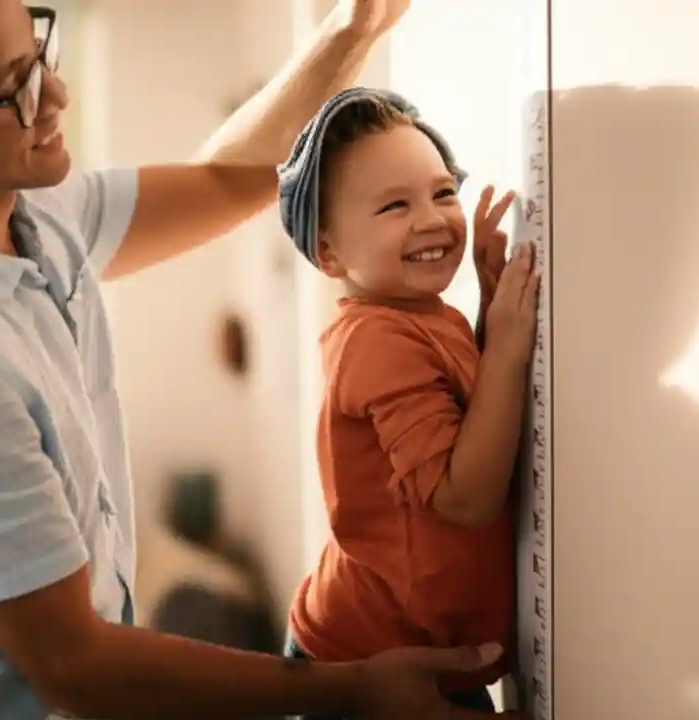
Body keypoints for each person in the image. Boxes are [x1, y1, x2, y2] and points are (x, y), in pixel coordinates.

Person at [0, 0, 518, 717]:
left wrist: (355, 26)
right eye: (15, 88)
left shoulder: (27, 207)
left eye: (40, 50)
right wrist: (349, 688)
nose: (57, 93)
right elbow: (76, 666)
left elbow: (227, 179)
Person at [275, 88, 539, 718]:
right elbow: (465, 496)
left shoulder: (423, 316)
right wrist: (506, 350)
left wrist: (487, 307)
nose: (431, 219)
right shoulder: (374, 340)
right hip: (365, 669)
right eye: (396, 205)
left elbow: (464, 415)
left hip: (419, 644)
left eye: (443, 193)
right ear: (329, 251)